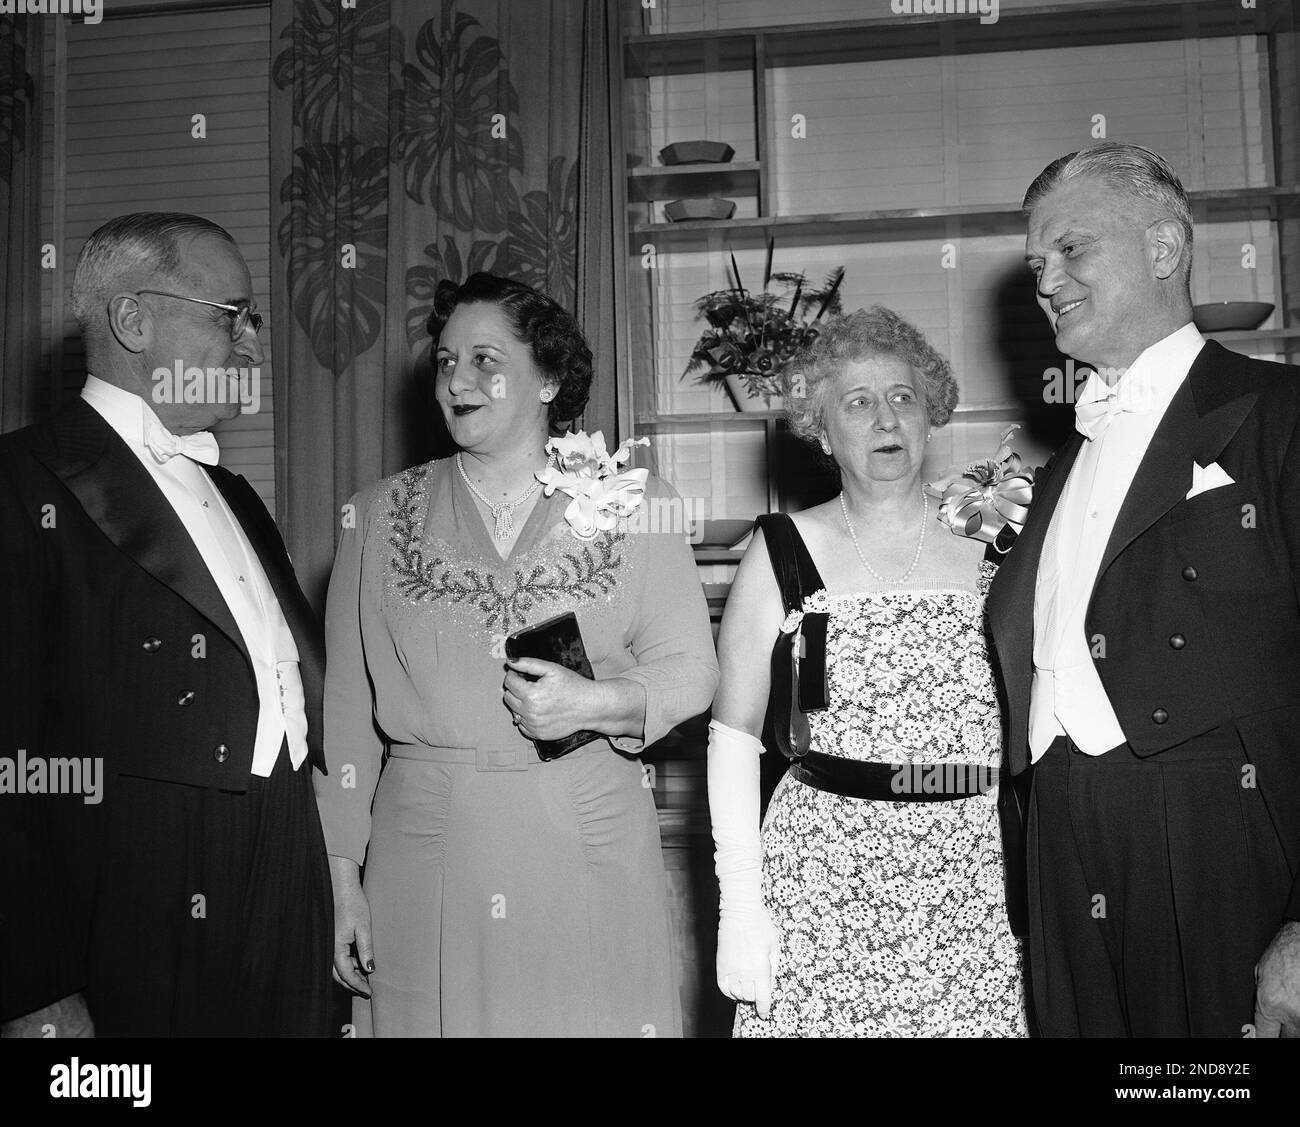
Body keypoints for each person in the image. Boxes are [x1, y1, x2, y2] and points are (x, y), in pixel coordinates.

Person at [319, 272, 718, 1037]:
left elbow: (692, 669)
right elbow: (346, 720)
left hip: (584, 835)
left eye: (485, 359)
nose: (457, 380)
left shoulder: (637, 500)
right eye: (444, 361)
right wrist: (344, 881)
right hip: (429, 851)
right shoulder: (372, 516)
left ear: (551, 379)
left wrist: (595, 702)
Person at [988, 141, 1300, 1037]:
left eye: (1072, 249)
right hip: (1059, 845)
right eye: (1038, 263)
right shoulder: (1058, 469)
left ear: (1165, 249)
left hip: (1219, 846)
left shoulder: (1280, 415)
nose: (1048, 279)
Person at [0, 213, 333, 1037]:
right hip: (131, 889)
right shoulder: (16, 481)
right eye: (234, 317)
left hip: (285, 854)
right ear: (133, 319)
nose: (253, 347)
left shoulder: (240, 498)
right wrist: (30, 985)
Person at [709, 306, 1027, 1036]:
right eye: (858, 402)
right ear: (821, 428)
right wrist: (740, 906)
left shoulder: (996, 546)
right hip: (821, 885)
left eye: (904, 397)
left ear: (931, 415)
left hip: (969, 881)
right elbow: (733, 738)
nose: (886, 418)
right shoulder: (782, 552)